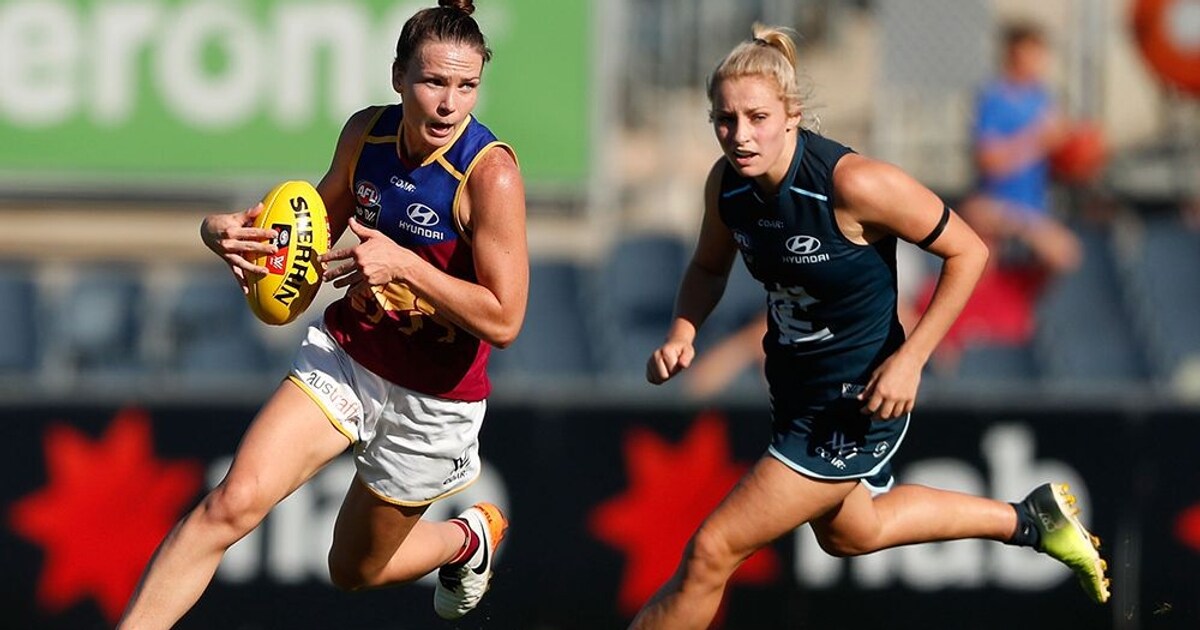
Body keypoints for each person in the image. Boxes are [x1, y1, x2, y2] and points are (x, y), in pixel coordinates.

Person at [632, 24, 1108, 629]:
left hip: (854, 399)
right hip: (796, 389)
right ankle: (1028, 520)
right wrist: (682, 330)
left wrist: (911, 360)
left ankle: (1028, 521)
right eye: (725, 120)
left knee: (710, 553)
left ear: (792, 115)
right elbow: (706, 265)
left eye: (757, 116)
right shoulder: (727, 186)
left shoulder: (852, 184)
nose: (740, 135)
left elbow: (969, 252)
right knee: (854, 532)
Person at [118, 1, 528, 627]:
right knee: (231, 504)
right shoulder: (366, 136)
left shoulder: (489, 174)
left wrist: (408, 267)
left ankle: (467, 540)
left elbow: (505, 320)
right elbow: (303, 245)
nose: (449, 103)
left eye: (466, 86)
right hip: (349, 357)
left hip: (434, 401)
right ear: (398, 77)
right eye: (433, 81)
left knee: (354, 571)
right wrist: (219, 233)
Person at [962, 21, 1081, 277]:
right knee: (981, 260)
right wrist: (1037, 141)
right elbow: (990, 161)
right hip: (996, 204)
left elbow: (1060, 156)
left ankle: (1017, 310)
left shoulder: (1044, 98)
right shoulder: (995, 98)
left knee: (1065, 254)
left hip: (1033, 208)